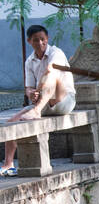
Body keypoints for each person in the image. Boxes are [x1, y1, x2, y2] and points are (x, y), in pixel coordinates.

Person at [1, 25, 76, 176]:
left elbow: (50, 71)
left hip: (64, 100)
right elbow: (28, 87)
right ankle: (8, 164)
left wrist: (39, 91)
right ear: (29, 41)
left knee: (51, 75)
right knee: (12, 122)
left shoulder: (56, 52)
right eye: (36, 40)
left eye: (43, 39)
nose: (40, 43)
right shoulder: (29, 61)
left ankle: (36, 110)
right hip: (43, 102)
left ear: (47, 39)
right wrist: (32, 94)